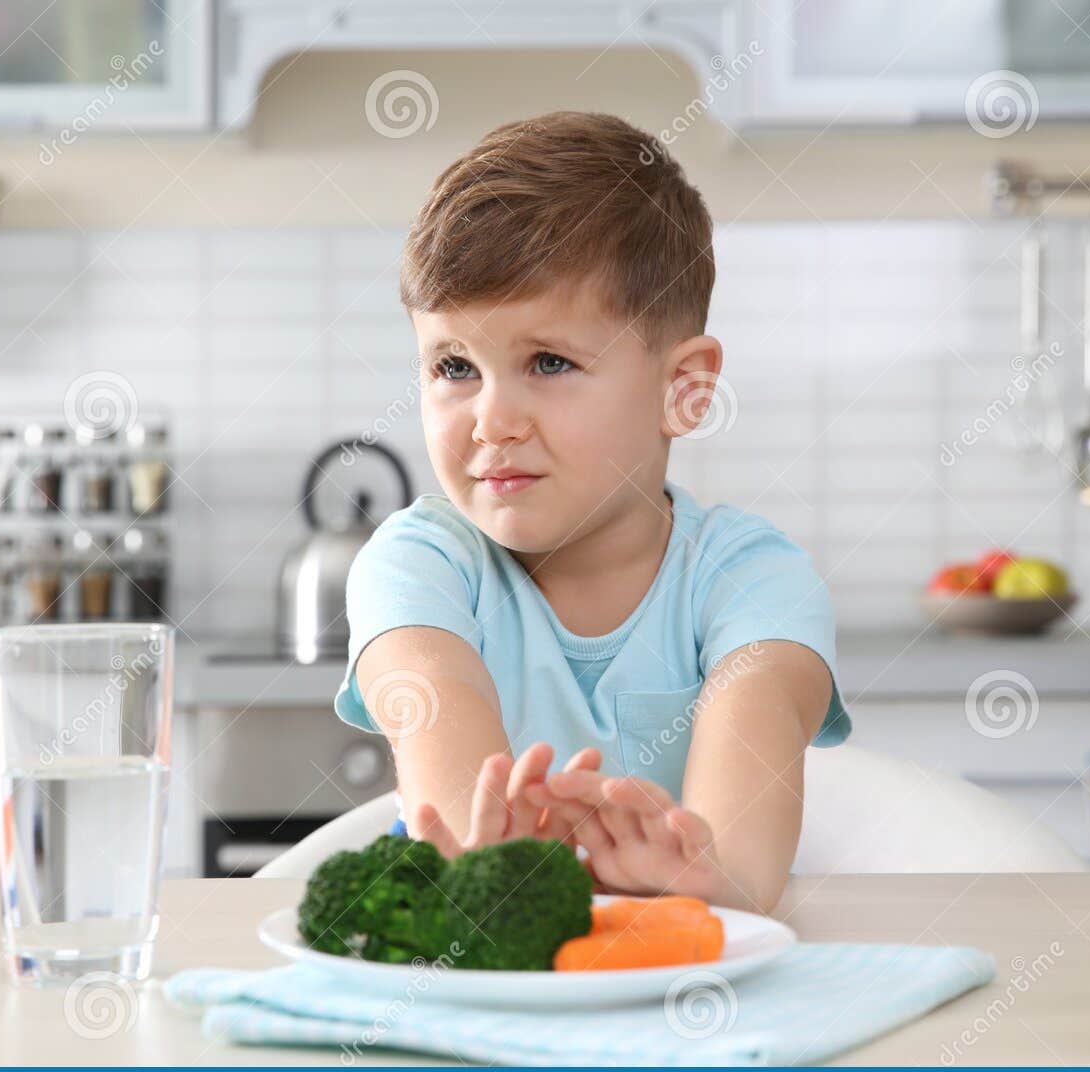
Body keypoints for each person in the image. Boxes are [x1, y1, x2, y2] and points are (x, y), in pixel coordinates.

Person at [332, 111, 849, 912]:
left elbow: (736, 876)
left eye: (548, 362)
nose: (490, 420)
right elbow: (468, 820)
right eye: (454, 365)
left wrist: (698, 875)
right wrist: (501, 856)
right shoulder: (417, 566)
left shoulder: (754, 582)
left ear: (685, 387)